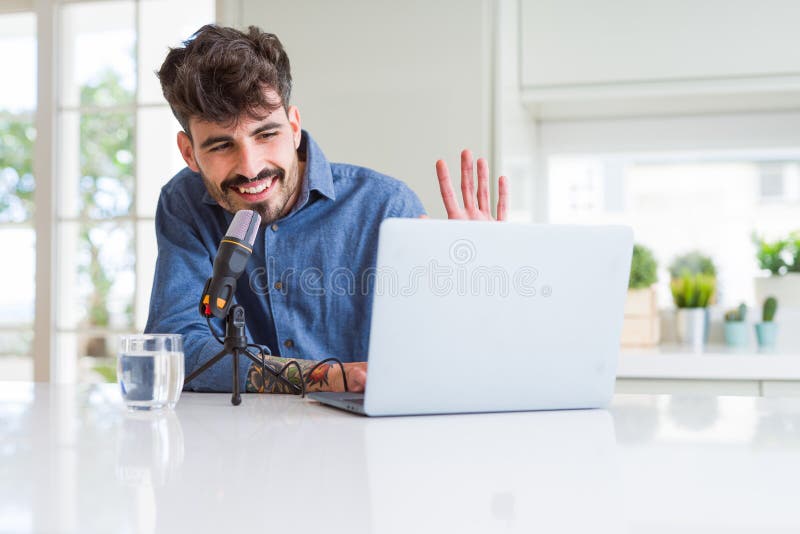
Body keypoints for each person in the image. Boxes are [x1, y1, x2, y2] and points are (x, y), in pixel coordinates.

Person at [145, 24, 508, 394]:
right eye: (221, 146)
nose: (251, 168)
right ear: (189, 153)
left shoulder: (386, 207)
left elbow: (439, 359)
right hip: (238, 443)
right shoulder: (184, 203)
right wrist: (324, 378)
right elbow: (175, 349)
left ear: (294, 126)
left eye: (266, 134)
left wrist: (472, 296)